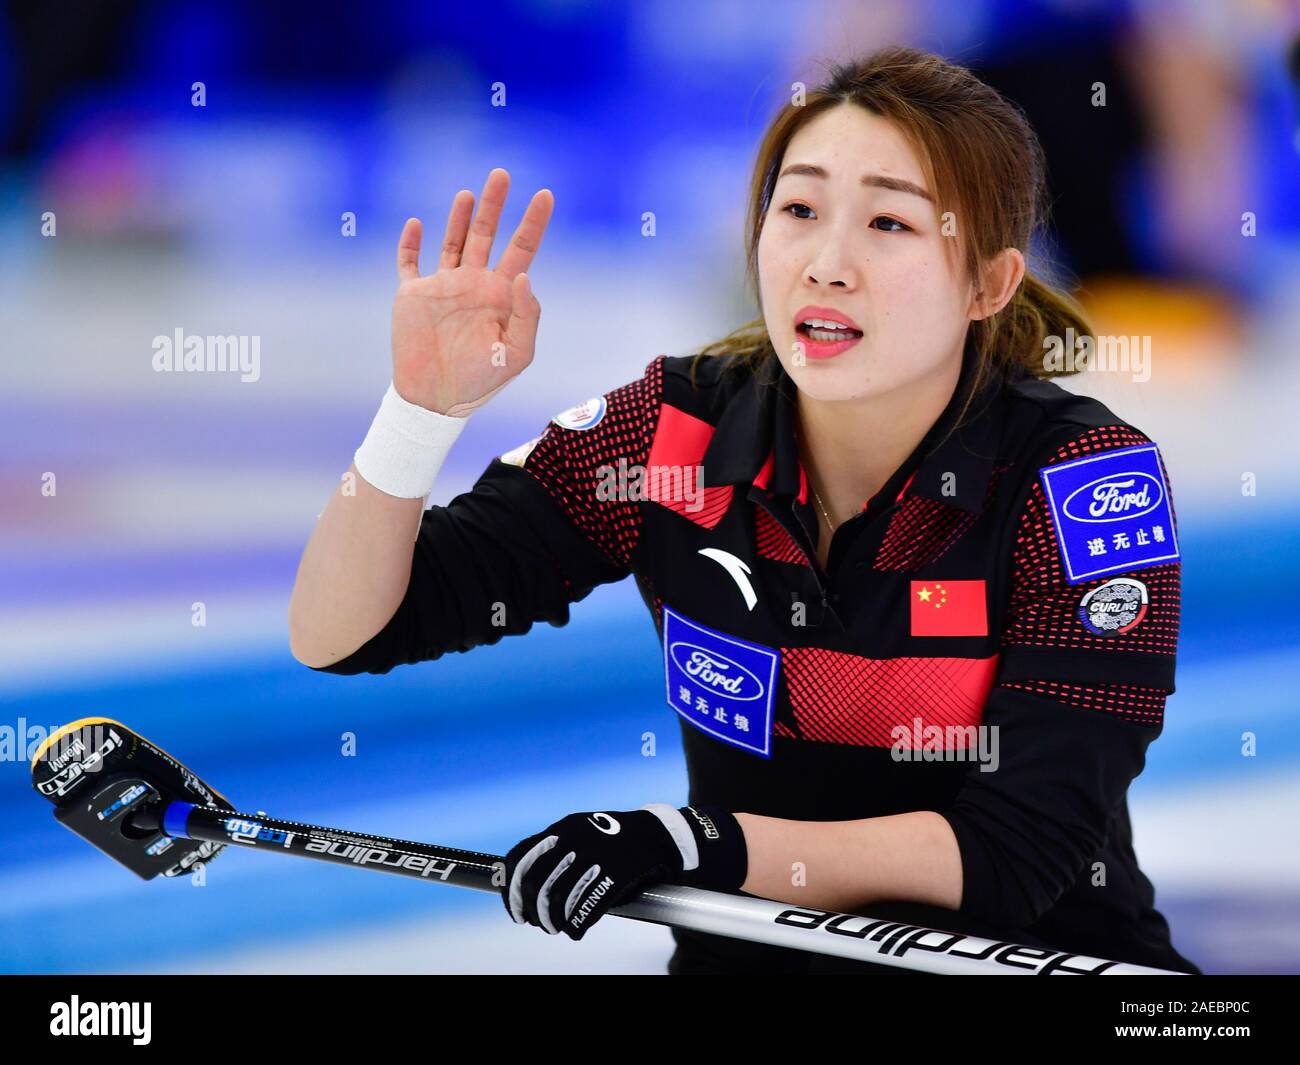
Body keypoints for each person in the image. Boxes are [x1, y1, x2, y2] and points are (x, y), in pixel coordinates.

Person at [288, 45, 1200, 976]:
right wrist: (415, 415)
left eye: (890, 222)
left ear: (989, 284)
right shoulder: (667, 432)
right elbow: (345, 631)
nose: (827, 265)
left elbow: (1020, 850)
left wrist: (701, 843)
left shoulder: (1084, 480)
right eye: (799, 210)